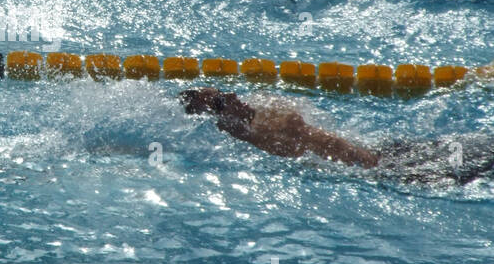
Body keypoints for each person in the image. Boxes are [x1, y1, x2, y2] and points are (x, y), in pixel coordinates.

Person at [179, 86, 494, 183]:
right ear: (217, 117)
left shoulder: (259, 105)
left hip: (381, 150)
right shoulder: (253, 138)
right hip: (386, 171)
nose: (233, 99)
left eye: (225, 92)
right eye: (221, 102)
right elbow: (309, 158)